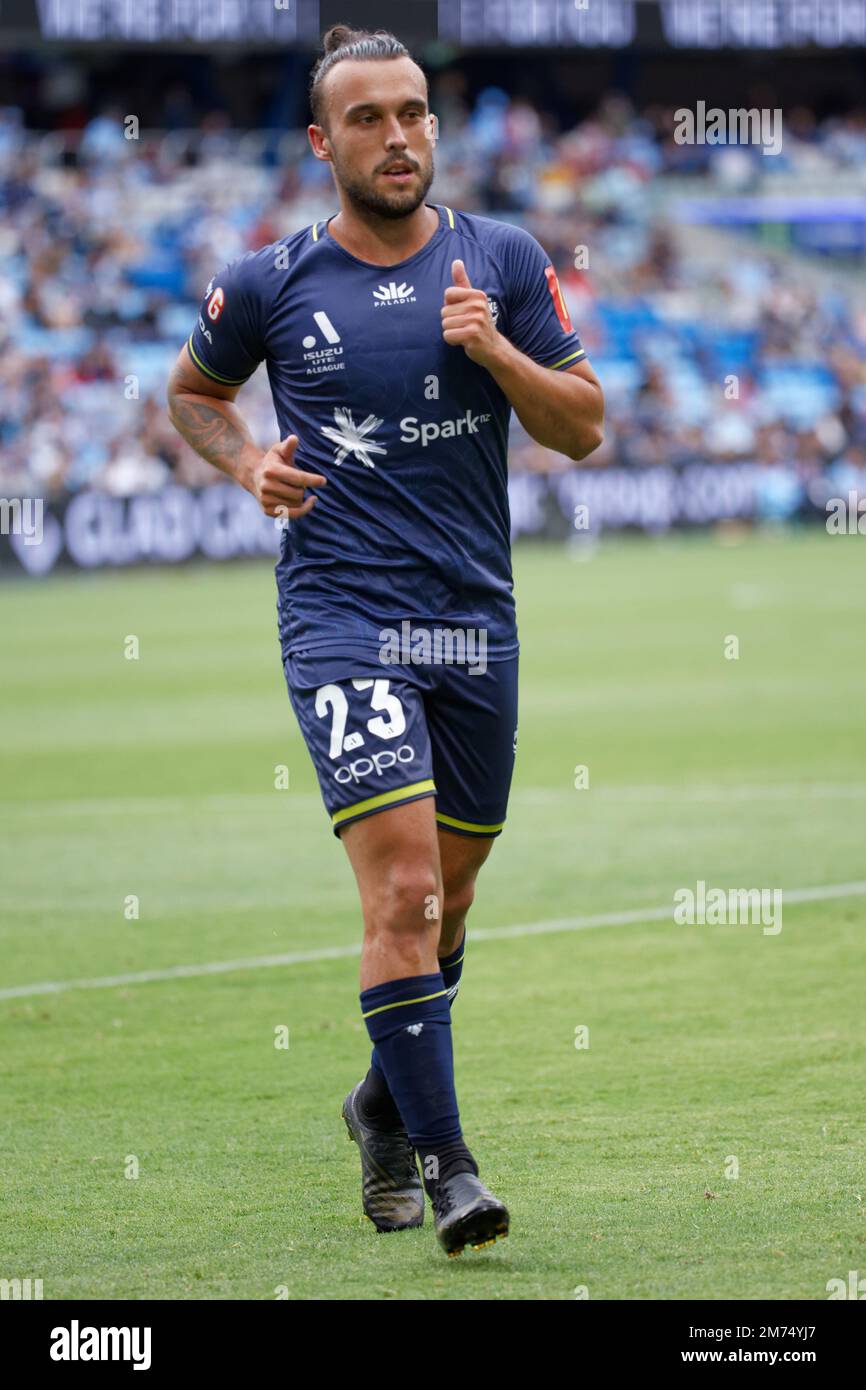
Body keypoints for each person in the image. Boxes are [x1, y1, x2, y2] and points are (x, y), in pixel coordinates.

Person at [167, 24, 604, 1258]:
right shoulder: (269, 281)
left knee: (450, 900)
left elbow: (583, 429)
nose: (397, 136)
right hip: (342, 617)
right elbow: (191, 397)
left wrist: (497, 348)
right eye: (367, 118)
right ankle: (451, 1166)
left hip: (473, 621)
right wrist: (245, 457)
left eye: (412, 113)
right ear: (322, 141)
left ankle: (375, 1103)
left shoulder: (502, 258)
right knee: (403, 887)